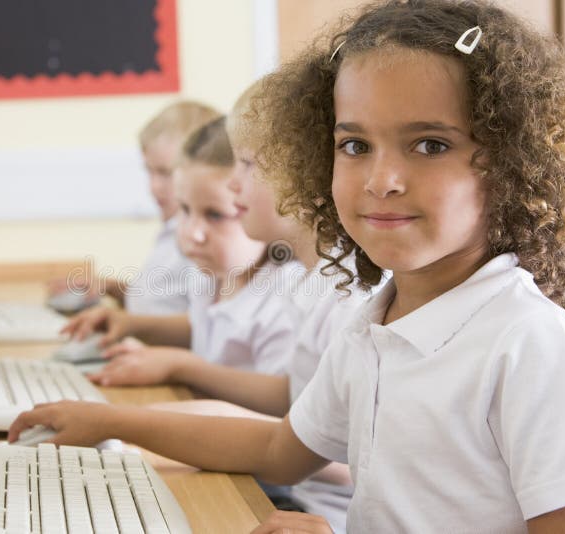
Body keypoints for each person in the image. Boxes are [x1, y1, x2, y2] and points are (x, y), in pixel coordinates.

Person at [11, 1, 565, 531]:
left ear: (511, 165)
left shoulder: (530, 342)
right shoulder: (370, 322)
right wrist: (107, 422)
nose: (382, 180)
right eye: (355, 145)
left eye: (430, 144)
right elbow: (280, 449)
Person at [86, 82, 360, 531]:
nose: (235, 183)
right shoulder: (312, 285)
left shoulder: (340, 296)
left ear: (307, 174)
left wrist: (164, 388)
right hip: (295, 494)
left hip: (312, 505)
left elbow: (298, 444)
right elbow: (295, 402)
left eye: (248, 165)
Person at [63, 116, 302, 375]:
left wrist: (179, 366)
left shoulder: (285, 297)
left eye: (215, 215)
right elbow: (202, 328)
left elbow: (281, 402)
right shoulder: (210, 278)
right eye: (185, 210)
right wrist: (130, 324)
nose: (192, 233)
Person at [47, 100, 220, 315]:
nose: (153, 186)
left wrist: (126, 325)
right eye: (149, 171)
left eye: (166, 173)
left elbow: (201, 325)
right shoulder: (171, 231)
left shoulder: (199, 241)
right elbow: (161, 302)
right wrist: (112, 288)